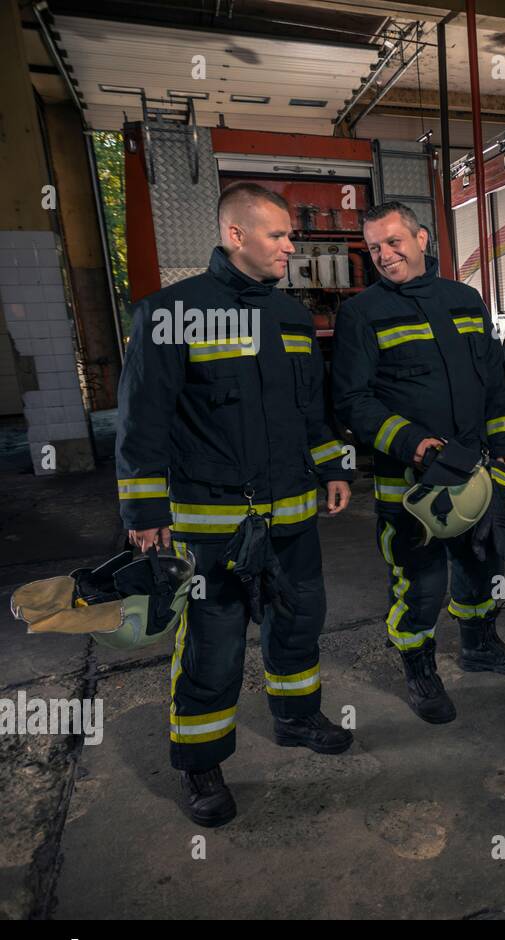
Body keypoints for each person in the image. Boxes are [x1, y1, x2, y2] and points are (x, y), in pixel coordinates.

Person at [116, 182, 354, 827]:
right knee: (214, 645)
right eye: (276, 235)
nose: (289, 246)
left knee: (300, 619)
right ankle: (200, 761)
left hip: (294, 513)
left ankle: (297, 716)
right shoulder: (170, 312)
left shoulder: (291, 317)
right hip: (212, 523)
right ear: (235, 235)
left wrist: (331, 464)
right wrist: (144, 513)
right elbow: (141, 422)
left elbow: (312, 408)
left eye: (289, 235)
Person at [333, 202, 505, 727]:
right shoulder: (361, 314)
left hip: (475, 470)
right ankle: (419, 670)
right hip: (410, 481)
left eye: (394, 241)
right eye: (374, 247)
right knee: (419, 584)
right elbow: (353, 401)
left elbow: (492, 380)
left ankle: (480, 645)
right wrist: (417, 445)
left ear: (422, 239)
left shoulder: (465, 300)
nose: (385, 254)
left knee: (482, 564)